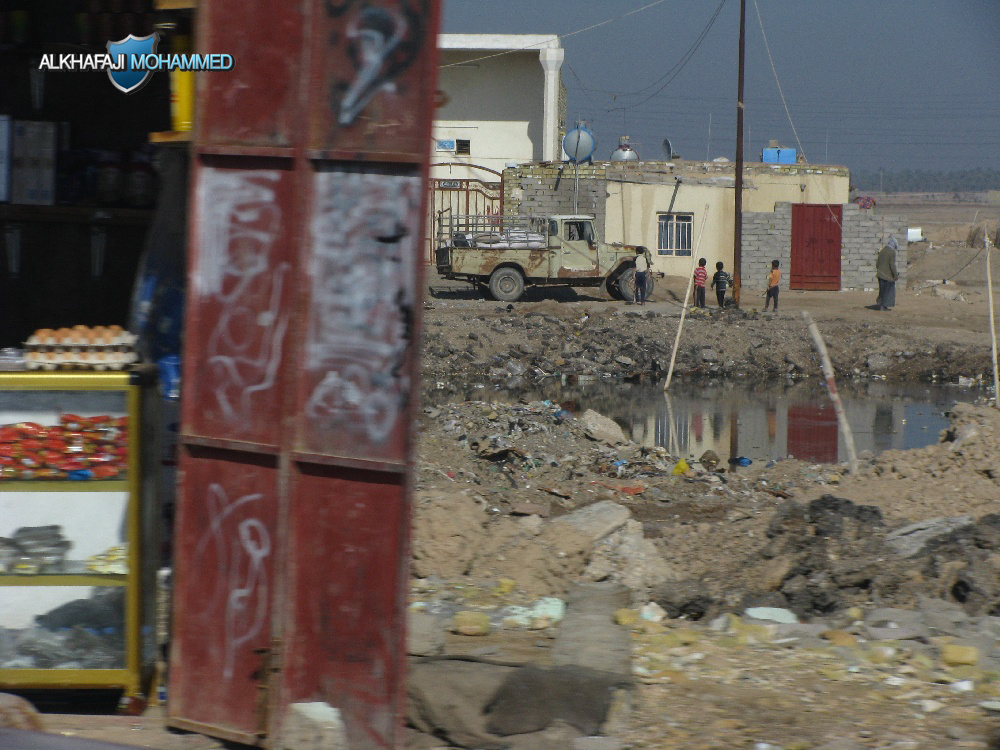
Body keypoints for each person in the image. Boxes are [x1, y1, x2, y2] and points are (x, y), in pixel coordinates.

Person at [876, 237, 899, 311]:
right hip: (887, 276)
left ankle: (881, 303)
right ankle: (883, 305)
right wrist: (895, 275)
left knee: (882, 290)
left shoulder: (883, 250)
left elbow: (877, 262)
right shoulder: (892, 252)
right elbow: (892, 265)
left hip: (880, 274)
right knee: (887, 291)